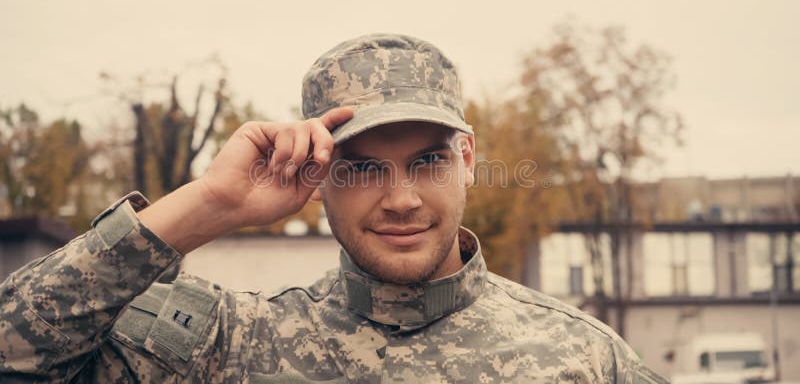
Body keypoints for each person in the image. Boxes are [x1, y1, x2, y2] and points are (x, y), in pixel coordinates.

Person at [0, 34, 666, 383]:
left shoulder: (581, 357)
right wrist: (210, 203)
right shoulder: (229, 344)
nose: (401, 199)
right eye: (363, 167)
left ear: (466, 159)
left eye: (427, 161)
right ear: (318, 174)